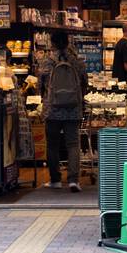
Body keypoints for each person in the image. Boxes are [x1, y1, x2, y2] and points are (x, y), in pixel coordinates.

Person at [41, 31, 88, 191]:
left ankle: (55, 179)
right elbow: (84, 83)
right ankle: (74, 180)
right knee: (73, 144)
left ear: (52, 43)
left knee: (52, 145)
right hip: (73, 108)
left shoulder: (47, 61)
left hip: (52, 109)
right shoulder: (77, 61)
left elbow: (41, 85)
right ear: (68, 42)